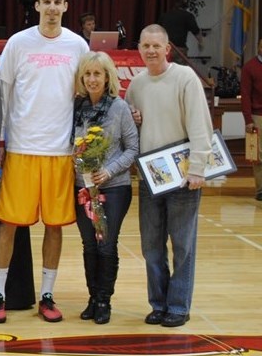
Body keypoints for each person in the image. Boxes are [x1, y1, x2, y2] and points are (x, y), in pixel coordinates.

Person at [0, 0, 89, 324]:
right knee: (9, 224)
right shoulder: (19, 42)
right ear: (36, 6)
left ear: (65, 6)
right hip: (21, 148)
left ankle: (47, 295)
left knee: (55, 225)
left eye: (57, 2)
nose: (51, 7)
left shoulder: (77, 44)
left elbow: (88, 91)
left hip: (60, 151)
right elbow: (2, 93)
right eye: (45, 2)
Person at [126, 24, 213, 328]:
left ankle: (178, 306)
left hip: (183, 177)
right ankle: (158, 303)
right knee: (151, 246)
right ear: (139, 49)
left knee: (183, 245)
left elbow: (200, 125)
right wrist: (135, 121)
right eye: (145, 46)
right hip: (152, 177)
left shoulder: (185, 78)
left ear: (167, 49)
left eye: (156, 46)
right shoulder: (135, 85)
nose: (150, 51)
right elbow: (131, 132)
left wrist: (199, 169)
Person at [71, 51, 138, 324]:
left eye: (97, 73)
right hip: (82, 189)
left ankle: (104, 300)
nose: (92, 79)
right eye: (87, 74)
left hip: (114, 188)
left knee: (106, 246)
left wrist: (108, 170)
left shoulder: (119, 108)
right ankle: (92, 297)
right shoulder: (77, 107)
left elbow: (133, 148)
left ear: (107, 76)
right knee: (89, 245)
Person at [240, 38, 262, 200]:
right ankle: (260, 191)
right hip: (257, 116)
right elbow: (245, 95)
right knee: (258, 156)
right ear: (258, 47)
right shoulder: (249, 67)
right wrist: (248, 119)